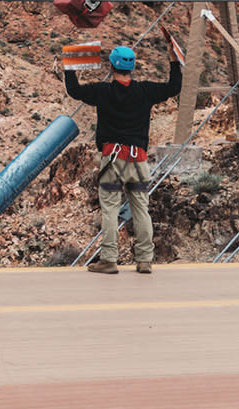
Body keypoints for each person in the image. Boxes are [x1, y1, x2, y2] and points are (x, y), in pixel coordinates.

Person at [63, 44, 182, 274]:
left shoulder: (102, 92)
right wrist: (174, 62)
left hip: (113, 158)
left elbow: (74, 91)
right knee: (141, 209)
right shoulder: (145, 91)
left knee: (109, 209)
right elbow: (173, 87)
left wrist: (70, 66)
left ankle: (109, 259)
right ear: (132, 67)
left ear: (112, 66)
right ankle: (145, 260)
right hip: (139, 160)